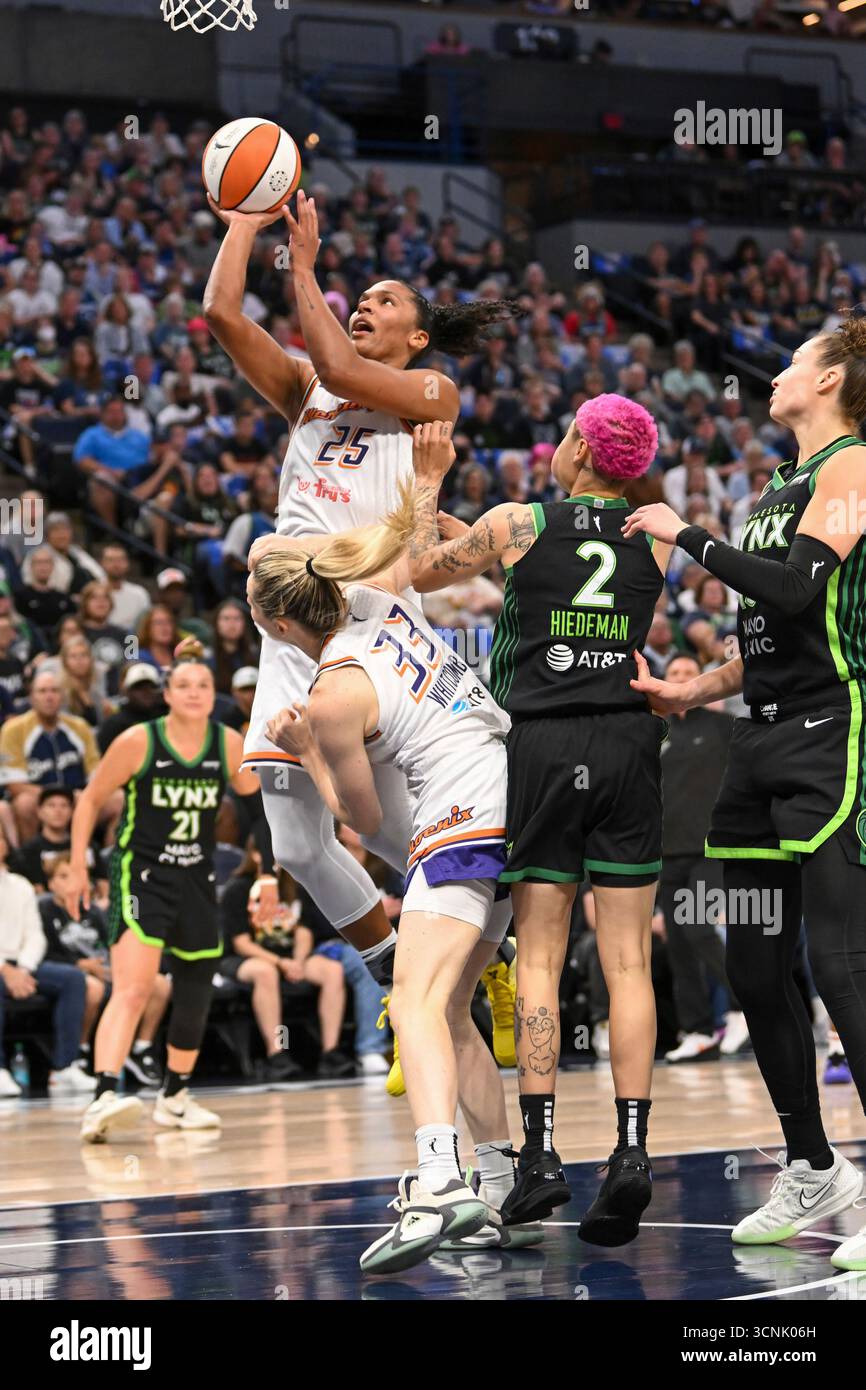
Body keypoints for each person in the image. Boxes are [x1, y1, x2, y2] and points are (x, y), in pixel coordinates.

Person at [203, 183, 521, 988]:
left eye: (384, 301)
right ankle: (388, 965)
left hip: (371, 616)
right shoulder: (304, 388)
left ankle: (491, 942)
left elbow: (341, 364)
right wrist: (242, 225)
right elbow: (221, 317)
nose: (365, 307)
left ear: (418, 336)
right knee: (296, 844)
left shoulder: (431, 393)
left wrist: (304, 267)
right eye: (362, 298)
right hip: (290, 616)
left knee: (390, 830)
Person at [623, 309, 866, 1273]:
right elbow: (767, 634)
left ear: (834, 378)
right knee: (756, 967)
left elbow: (799, 591)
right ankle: (813, 1165)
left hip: (832, 733)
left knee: (840, 964)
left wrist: (687, 534)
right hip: (757, 740)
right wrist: (694, 690)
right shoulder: (776, 485)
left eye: (795, 360)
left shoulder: (853, 467)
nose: (777, 373)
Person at [248, 493, 537, 1273]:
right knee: (449, 1010)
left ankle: (439, 1183)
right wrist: (430, 479)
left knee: (411, 1002)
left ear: (281, 629)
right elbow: (397, 549)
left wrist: (309, 751)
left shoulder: (331, 694)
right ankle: (501, 1186)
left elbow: (359, 815)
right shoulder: (378, 600)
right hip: (514, 796)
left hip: (463, 815)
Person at [405, 400, 669, 1245]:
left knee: (543, 959)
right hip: (628, 744)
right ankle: (632, 1153)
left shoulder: (517, 523)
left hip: (545, 748)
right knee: (628, 962)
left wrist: (427, 484)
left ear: (581, 446)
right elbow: (567, 577)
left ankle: (542, 1157)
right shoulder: (658, 532)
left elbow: (421, 569)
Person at [64, 640, 260, 1142]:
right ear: (167, 694)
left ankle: (174, 1098)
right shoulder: (138, 740)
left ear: (213, 694)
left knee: (195, 988)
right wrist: (79, 864)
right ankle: (103, 1095)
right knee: (134, 986)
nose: (194, 693)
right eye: (183, 685)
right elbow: (89, 800)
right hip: (142, 873)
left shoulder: (228, 744)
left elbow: (258, 803)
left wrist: (267, 871)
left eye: (203, 685)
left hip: (197, 876)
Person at [655, 653, 749, 1063]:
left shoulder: (724, 726)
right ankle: (697, 1030)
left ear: (701, 679)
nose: (680, 677)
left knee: (698, 928)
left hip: (711, 847)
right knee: (678, 943)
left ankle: (745, 1006)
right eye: (674, 672)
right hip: (667, 852)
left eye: (688, 672)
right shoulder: (655, 731)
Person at [39, 854, 171, 1087]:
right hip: (71, 971)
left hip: (105, 970)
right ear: (51, 884)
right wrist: (80, 965)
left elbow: (112, 944)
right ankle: (81, 1051)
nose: (71, 882)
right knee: (91, 988)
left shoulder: (93, 911)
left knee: (159, 984)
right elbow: (43, 952)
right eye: (63, 876)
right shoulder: (44, 909)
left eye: (76, 875)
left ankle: (140, 1047)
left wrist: (113, 967)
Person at [0, 820, 93, 1097]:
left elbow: (36, 936)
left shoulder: (21, 885)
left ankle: (65, 1068)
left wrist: (24, 968)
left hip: (24, 964)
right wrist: (5, 969)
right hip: (2, 968)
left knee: (73, 979)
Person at [0, 669, 103, 841]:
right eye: (42, 691)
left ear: (62, 696)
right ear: (32, 697)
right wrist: (58, 798)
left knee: (117, 800)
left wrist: (84, 795)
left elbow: (96, 773)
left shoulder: (80, 726)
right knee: (24, 803)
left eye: (54, 691)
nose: (49, 697)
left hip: (78, 797)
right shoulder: (14, 729)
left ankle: (103, 854)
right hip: (38, 799)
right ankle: (30, 855)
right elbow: (15, 785)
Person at [97, 663, 166, 754]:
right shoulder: (114, 725)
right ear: (127, 691)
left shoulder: (167, 717)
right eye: (139, 687)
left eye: (151, 686)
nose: (146, 692)